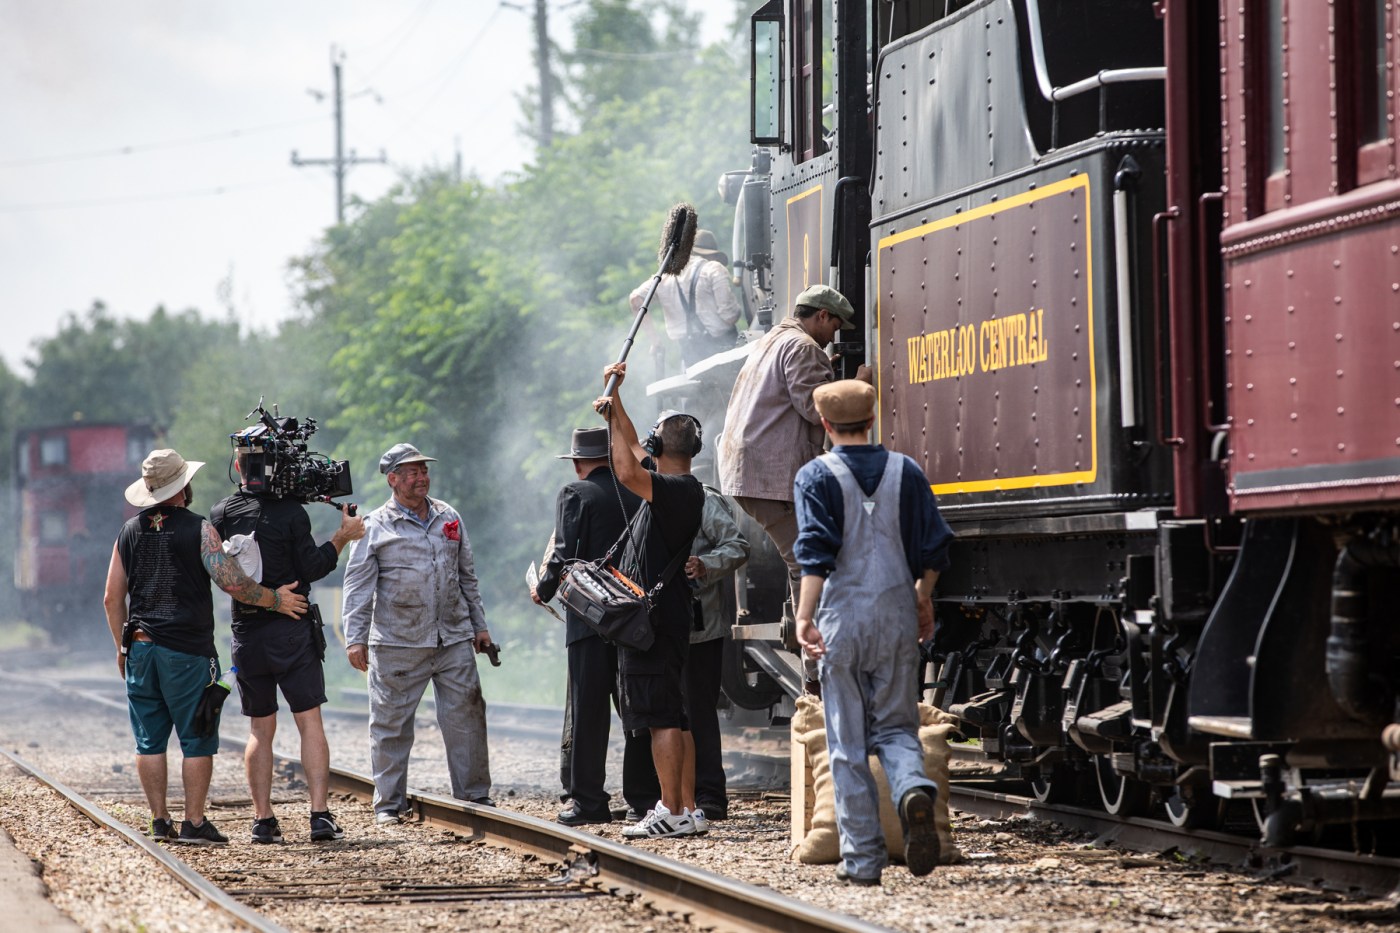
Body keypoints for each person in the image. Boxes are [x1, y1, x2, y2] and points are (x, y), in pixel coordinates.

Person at [792, 380, 954, 885]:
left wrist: (804, 615)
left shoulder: (815, 476)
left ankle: (863, 861)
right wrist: (922, 595)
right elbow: (936, 548)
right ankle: (911, 790)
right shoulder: (907, 471)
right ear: (872, 418)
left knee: (846, 741)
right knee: (898, 729)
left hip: (842, 620)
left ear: (824, 424)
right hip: (897, 616)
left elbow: (815, 554)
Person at [103, 449, 309, 846]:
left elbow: (112, 599)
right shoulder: (200, 530)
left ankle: (159, 821)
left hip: (141, 649)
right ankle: (194, 823)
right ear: (184, 486)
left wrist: (121, 648)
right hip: (187, 652)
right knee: (196, 737)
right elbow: (234, 584)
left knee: (148, 740)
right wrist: (276, 600)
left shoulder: (127, 531)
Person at [210, 447, 366, 844]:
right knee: (308, 721)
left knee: (260, 729)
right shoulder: (292, 514)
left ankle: (263, 821)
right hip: (292, 627)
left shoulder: (220, 514)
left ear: (239, 467)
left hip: (246, 634)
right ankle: (319, 817)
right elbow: (313, 567)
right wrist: (342, 537)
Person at [342, 443, 496, 826]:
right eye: (411, 472)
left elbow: (466, 577)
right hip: (396, 641)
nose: (421, 477)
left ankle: (474, 796)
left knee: (468, 716)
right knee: (391, 725)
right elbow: (357, 585)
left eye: (423, 470)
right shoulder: (374, 525)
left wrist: (479, 626)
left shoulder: (449, 517)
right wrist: (355, 638)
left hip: (453, 637)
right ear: (392, 479)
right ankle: (389, 804)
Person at [591, 364, 706, 838]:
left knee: (660, 716)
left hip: (654, 620)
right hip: (671, 614)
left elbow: (624, 466)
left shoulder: (674, 490)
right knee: (676, 716)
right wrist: (616, 402)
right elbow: (635, 450)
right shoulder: (680, 485)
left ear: (663, 449)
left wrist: (615, 412)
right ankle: (690, 808)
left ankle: (672, 811)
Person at [532, 426, 660, 826]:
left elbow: (564, 555)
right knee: (636, 710)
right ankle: (642, 800)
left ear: (576, 462)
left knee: (589, 712)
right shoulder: (642, 490)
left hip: (589, 620)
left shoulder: (575, 494)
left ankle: (589, 802)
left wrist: (544, 588)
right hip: (636, 620)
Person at [718, 284, 861, 609]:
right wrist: (858, 384)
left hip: (750, 469)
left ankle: (805, 635)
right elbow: (816, 408)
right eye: (834, 327)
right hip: (770, 473)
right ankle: (815, 654)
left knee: (808, 555)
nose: (832, 337)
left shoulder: (772, 340)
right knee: (810, 562)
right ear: (822, 315)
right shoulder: (803, 347)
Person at [683, 486, 749, 823]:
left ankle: (709, 797)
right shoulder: (642, 495)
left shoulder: (703, 499)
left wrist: (705, 565)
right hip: (655, 630)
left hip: (701, 630)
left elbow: (737, 546)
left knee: (699, 715)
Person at [633, 228, 742, 370]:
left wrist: (655, 342)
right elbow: (730, 316)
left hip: (690, 359)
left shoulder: (666, 277)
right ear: (710, 254)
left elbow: (635, 299)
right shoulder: (713, 269)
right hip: (724, 353)